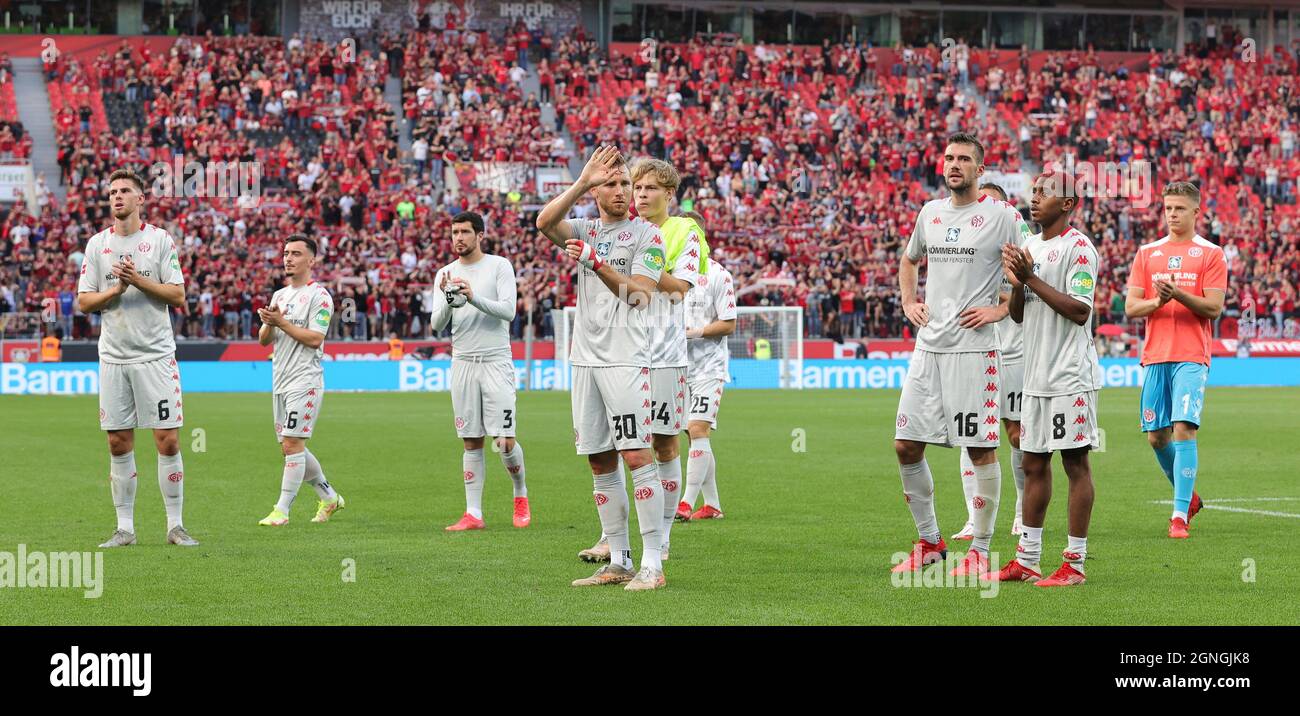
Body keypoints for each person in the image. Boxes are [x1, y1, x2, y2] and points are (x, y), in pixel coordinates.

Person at [535, 145, 667, 591]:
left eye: (625, 183)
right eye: (610, 183)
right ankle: (619, 559)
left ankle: (653, 563)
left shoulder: (647, 235)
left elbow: (641, 295)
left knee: (635, 455)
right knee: (598, 458)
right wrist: (582, 180)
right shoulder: (586, 225)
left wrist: (597, 263)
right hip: (584, 358)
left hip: (625, 358)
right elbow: (543, 223)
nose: (620, 190)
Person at [892, 133, 1022, 577]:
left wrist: (1001, 308)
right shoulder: (930, 213)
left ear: (980, 170)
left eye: (964, 159)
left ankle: (981, 551)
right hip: (929, 347)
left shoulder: (1003, 216)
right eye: (949, 158)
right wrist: (909, 303)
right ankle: (930, 541)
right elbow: (909, 261)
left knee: (980, 448)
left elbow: (1029, 272)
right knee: (906, 445)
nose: (954, 165)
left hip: (975, 350)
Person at [986, 170, 1103, 586]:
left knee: (1075, 463)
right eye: (1033, 192)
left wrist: (1031, 276)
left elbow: (1079, 311)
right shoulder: (1031, 246)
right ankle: (1027, 559)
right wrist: (1018, 281)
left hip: (1069, 376)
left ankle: (1074, 563)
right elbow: (1018, 314)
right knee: (1033, 463)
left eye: (1044, 193)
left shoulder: (1080, 249)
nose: (1033, 199)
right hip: (1034, 376)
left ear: (1068, 204)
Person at [76, 168, 198, 548]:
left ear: (141, 199)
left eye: (125, 191)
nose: (117, 196)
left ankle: (175, 525)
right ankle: (124, 528)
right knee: (118, 442)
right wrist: (117, 288)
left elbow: (178, 296)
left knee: (167, 441)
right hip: (114, 357)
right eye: (112, 191)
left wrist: (138, 281)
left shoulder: (159, 240)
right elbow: (84, 301)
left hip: (155, 356)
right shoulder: (97, 245)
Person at [1124, 182, 1226, 539]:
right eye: (1168, 208)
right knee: (1156, 436)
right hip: (1155, 356)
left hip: (1191, 355)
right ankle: (1191, 498)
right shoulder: (1147, 253)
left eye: (1180, 209)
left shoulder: (1211, 254)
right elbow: (1131, 306)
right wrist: (1157, 302)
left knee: (1184, 427)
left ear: (1197, 212)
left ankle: (1178, 515)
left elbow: (1213, 307)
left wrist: (1177, 293)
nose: (1172, 214)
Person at [430, 211, 531, 531]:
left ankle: (520, 493)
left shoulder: (499, 266)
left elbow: (508, 310)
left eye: (464, 232)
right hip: (462, 363)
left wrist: (472, 297)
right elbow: (436, 324)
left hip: (495, 361)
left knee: (504, 440)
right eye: (454, 232)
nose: (457, 237)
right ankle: (473, 513)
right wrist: (449, 299)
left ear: (479, 235)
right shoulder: (444, 273)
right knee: (471, 440)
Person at [952, 182, 1032, 541]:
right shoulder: (964, 254)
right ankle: (974, 516)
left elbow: (1030, 294)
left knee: (1016, 434)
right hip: (973, 351)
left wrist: (1001, 298)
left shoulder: (1020, 252)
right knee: (972, 433)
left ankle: (1020, 510)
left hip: (1014, 355)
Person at [256, 235, 346, 526]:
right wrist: (270, 323)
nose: (288, 258)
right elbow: (262, 340)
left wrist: (281, 322)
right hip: (279, 380)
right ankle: (330, 497)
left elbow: (316, 338)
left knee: (293, 443)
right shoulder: (279, 296)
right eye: (285, 253)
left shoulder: (319, 296)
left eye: (296, 253)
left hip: (304, 380)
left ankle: (281, 510)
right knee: (289, 445)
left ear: (311, 260)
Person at [679, 251, 737, 521]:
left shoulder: (719, 275)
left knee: (697, 428)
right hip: (678, 366)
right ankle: (712, 505)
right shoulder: (672, 274)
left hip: (709, 367)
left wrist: (696, 332)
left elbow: (729, 323)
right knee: (694, 437)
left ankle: (685, 502)